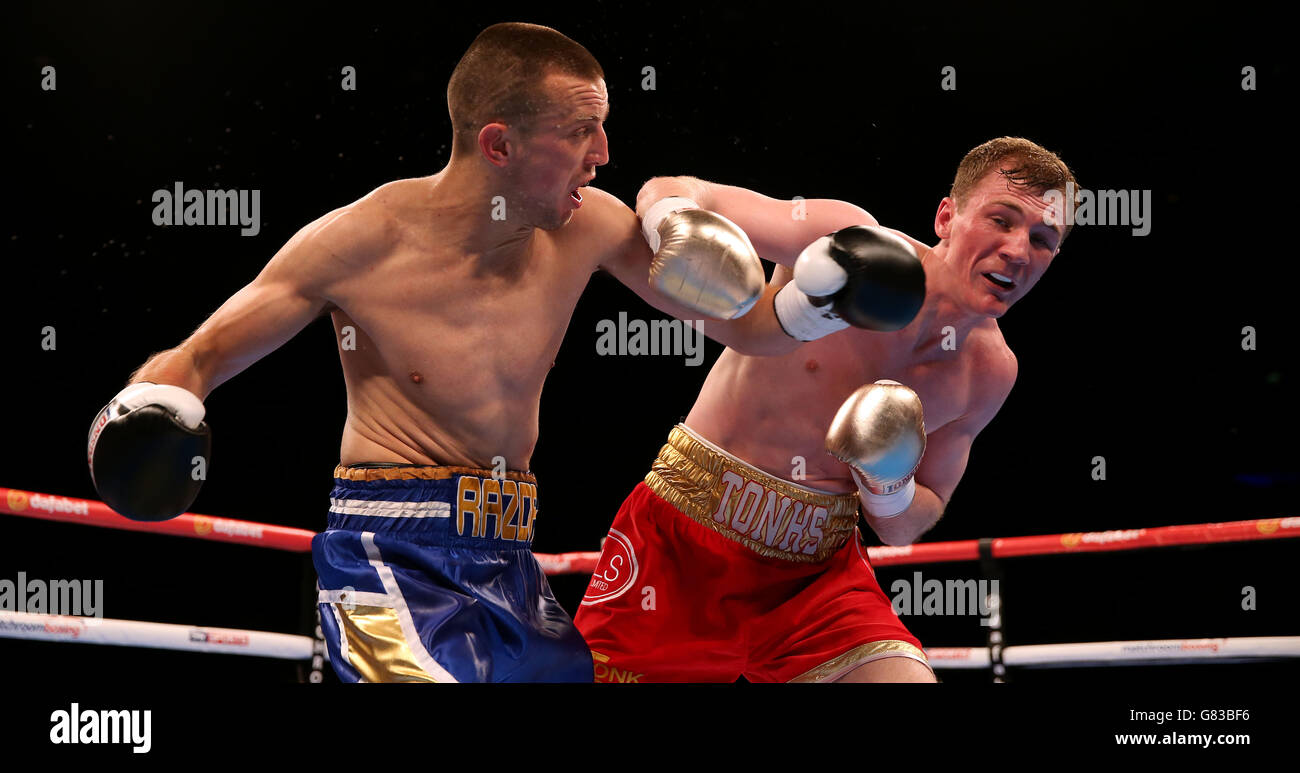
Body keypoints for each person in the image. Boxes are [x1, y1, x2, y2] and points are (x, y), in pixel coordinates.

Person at [84, 23, 920, 683]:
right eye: (582, 131)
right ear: (499, 145)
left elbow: (745, 326)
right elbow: (198, 357)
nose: (603, 154)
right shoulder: (357, 243)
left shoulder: (590, 225)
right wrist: (146, 412)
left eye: (604, 128)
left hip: (508, 558)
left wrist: (820, 296)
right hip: (389, 559)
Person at [575, 137, 1077, 683]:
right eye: (1001, 220)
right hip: (682, 543)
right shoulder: (845, 238)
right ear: (947, 216)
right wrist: (676, 222)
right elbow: (681, 191)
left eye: (1043, 239)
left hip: (816, 579)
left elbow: (910, 524)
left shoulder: (990, 372)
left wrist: (890, 483)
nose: (1018, 249)